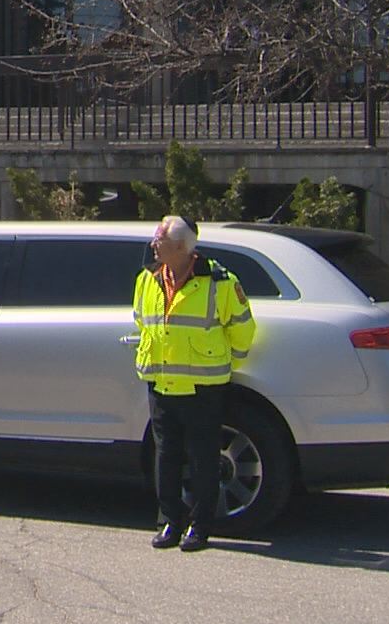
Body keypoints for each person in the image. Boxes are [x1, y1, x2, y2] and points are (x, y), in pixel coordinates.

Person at [133, 215, 256, 552]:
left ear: (182, 248)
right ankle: (170, 522)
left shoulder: (220, 282)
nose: (154, 243)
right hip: (161, 382)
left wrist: (230, 360)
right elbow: (143, 322)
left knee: (203, 458)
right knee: (166, 455)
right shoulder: (148, 279)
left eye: (161, 239)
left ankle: (200, 528)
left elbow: (243, 328)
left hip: (204, 386)